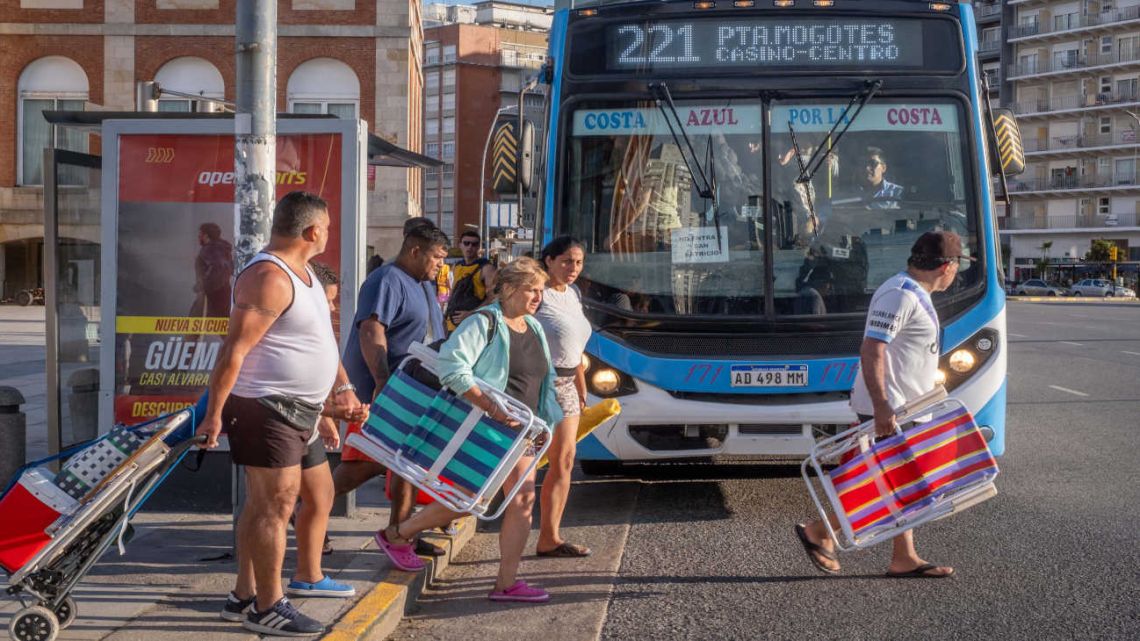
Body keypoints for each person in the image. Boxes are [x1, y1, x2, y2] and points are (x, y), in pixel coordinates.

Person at [197, 191, 366, 636]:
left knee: (268, 503)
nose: (328, 233)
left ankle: (243, 597)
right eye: (326, 227)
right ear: (312, 232)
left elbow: (318, 345)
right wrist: (214, 414)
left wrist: (337, 396)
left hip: (300, 411)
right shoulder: (269, 276)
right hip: (266, 407)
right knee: (275, 505)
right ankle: (268, 607)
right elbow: (234, 350)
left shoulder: (304, 272)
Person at [376, 258, 563, 603]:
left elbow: (542, 380)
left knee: (522, 499)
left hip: (522, 430)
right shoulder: (484, 322)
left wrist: (545, 422)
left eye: (541, 291)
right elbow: (451, 366)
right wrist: (491, 406)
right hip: (486, 428)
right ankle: (397, 533)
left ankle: (506, 584)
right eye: (531, 290)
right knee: (470, 500)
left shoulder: (532, 326)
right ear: (508, 289)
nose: (539, 297)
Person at [795, 230, 973, 580]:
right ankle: (818, 532)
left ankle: (902, 556)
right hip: (889, 409)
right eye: (957, 267)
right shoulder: (900, 295)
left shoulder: (911, 292)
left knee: (898, 482)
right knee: (879, 483)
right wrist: (881, 407)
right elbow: (872, 349)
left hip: (905, 407)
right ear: (947, 267)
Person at [336, 221, 449, 557]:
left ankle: (401, 532)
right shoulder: (387, 279)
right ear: (415, 251)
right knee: (365, 464)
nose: (440, 265)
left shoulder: (423, 283)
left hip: (414, 391)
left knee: (408, 465)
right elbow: (371, 331)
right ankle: (302, 508)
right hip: (382, 392)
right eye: (437, 257)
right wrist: (383, 383)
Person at [534, 237, 592, 558]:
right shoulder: (536, 293)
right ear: (549, 261)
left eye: (579, 262)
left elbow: (574, 344)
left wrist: (582, 383)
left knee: (565, 461)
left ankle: (549, 537)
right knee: (522, 465)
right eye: (567, 261)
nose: (573, 269)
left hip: (569, 384)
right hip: (540, 385)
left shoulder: (573, 294)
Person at [444, 230, 496, 332]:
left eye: (474, 244)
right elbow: (453, 293)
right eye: (466, 243)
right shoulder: (457, 266)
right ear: (460, 245)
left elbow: (493, 297)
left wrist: (471, 313)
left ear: (478, 247)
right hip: (452, 323)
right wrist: (445, 316)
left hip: (472, 325)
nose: (470, 247)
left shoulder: (486, 268)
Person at [192, 222, 234, 318]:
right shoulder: (222, 249)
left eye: (200, 234)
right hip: (222, 295)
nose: (198, 237)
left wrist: (203, 286)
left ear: (206, 235)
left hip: (212, 298)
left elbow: (219, 268)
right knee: (221, 327)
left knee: (195, 326)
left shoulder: (211, 249)